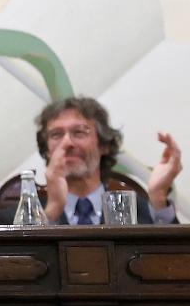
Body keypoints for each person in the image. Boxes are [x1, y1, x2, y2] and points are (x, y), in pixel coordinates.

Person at [34, 96, 181, 225]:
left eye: (79, 132)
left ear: (104, 145)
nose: (67, 143)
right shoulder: (21, 215)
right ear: (46, 150)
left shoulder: (140, 212)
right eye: (56, 134)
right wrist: (52, 210)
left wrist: (159, 196)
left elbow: (177, 256)